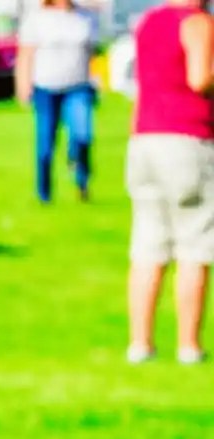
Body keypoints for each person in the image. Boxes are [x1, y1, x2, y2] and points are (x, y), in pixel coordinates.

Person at [124, 0, 214, 364]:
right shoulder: (197, 23)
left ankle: (140, 344)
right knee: (195, 243)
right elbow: (199, 78)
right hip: (187, 138)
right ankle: (189, 345)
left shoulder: (150, 22)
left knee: (148, 246)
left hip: (145, 140)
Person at [15, 0, 99, 204]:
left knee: (82, 136)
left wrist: (96, 78)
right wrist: (23, 85)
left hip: (78, 86)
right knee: (45, 145)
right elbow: (25, 54)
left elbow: (93, 53)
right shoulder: (37, 18)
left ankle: (81, 180)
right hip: (46, 87)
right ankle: (44, 193)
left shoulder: (84, 17)